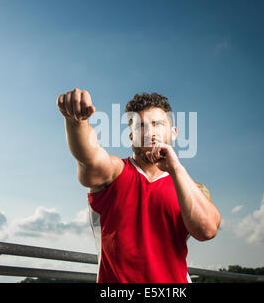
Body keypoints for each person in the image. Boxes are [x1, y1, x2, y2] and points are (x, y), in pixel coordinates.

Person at [57, 88, 221, 283]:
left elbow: (207, 230)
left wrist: (175, 168)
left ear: (173, 133)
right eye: (140, 125)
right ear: (131, 137)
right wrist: (77, 122)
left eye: (157, 124)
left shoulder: (190, 187)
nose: (150, 132)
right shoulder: (114, 172)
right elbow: (88, 156)